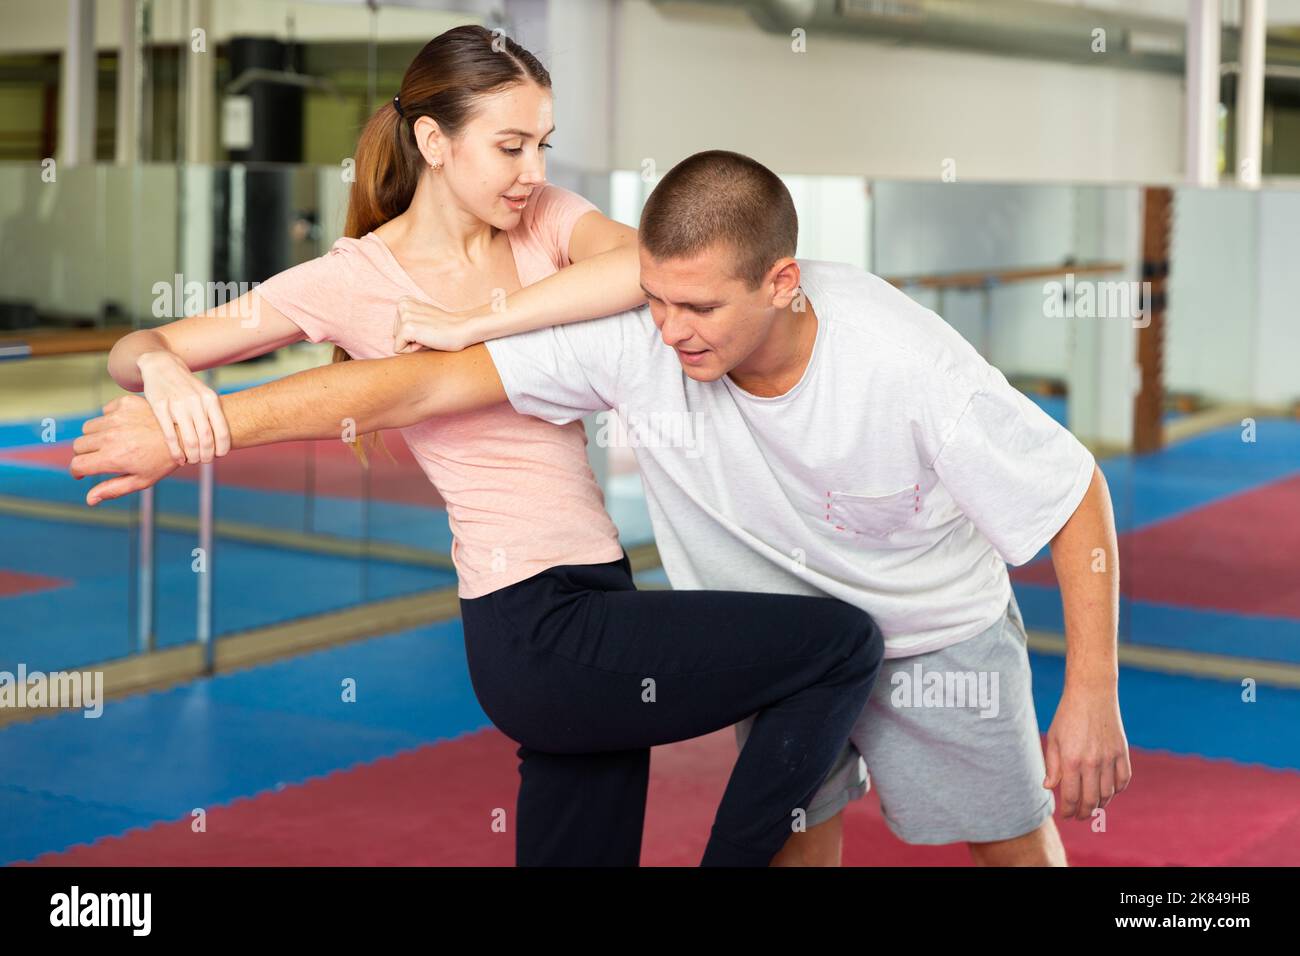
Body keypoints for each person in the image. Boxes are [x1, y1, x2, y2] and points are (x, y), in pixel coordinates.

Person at [79, 143, 1131, 866]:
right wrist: (194, 428)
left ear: (781, 282)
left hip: (937, 628)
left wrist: (1089, 696)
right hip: (789, 639)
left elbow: (1073, 492)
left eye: (699, 305)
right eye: (656, 296)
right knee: (796, 835)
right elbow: (410, 384)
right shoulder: (643, 334)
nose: (670, 330)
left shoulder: (903, 363)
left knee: (1011, 842)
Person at [92, 26, 885, 868]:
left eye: (542, 144)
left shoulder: (544, 225)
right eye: (510, 147)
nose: (534, 172)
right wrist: (167, 374)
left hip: (598, 587)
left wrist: (481, 322)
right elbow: (132, 349)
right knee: (841, 646)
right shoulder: (354, 277)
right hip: (532, 622)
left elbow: (647, 266)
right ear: (433, 141)